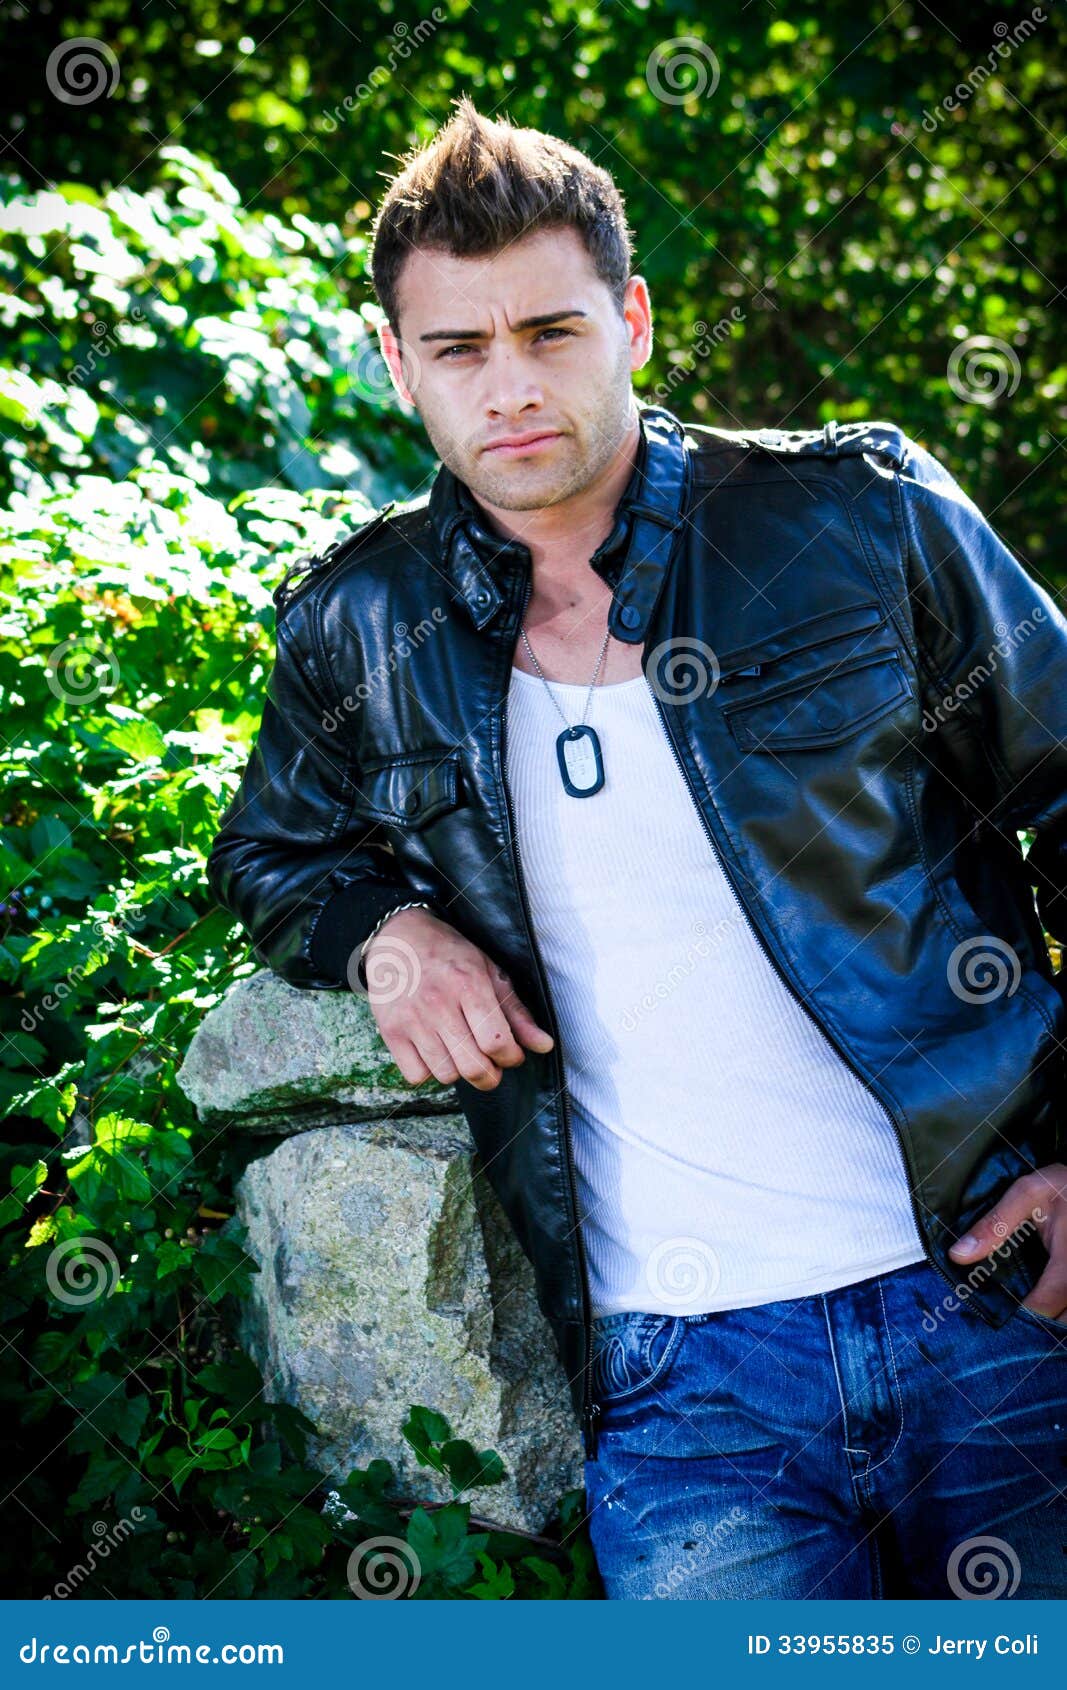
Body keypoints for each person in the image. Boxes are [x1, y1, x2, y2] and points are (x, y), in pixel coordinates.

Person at [207, 97, 1067, 1599]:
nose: (513, 387)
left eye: (552, 330)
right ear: (397, 364)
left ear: (636, 319)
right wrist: (387, 935)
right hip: (686, 1392)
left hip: (995, 1305)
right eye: (461, 350)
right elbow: (274, 854)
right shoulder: (361, 625)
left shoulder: (856, 524)